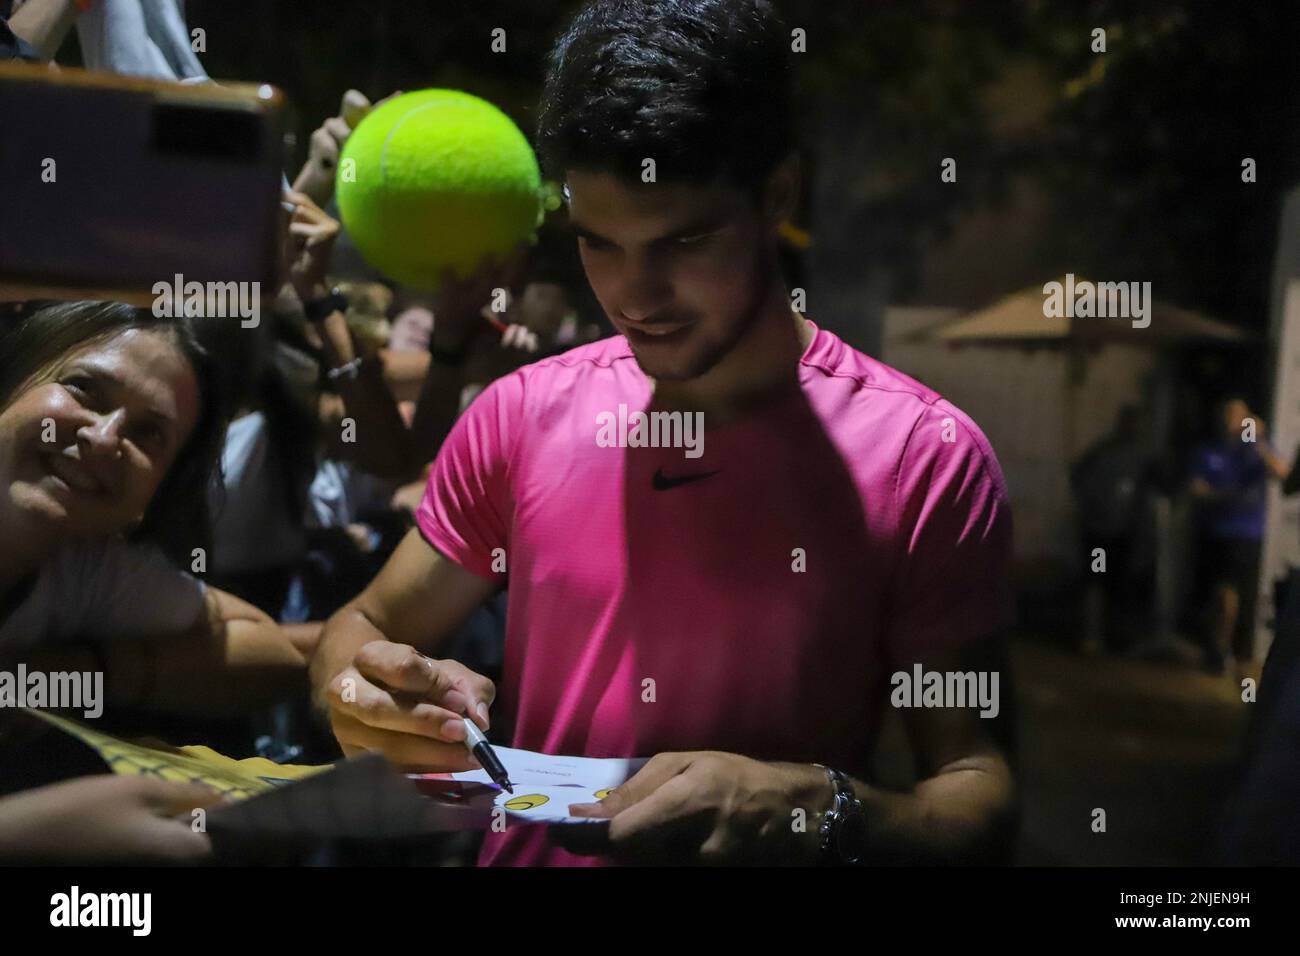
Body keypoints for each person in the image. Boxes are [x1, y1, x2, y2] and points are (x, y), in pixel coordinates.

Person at [311, 0, 1017, 866]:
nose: (634, 294)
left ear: (779, 197)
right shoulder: (523, 413)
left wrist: (821, 805)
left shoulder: (924, 458)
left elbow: (978, 789)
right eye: (597, 243)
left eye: (683, 240)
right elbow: (364, 621)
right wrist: (363, 691)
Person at [0, 299, 307, 862]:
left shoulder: (83, 564)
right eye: (85, 391)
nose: (103, 438)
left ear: (146, 504)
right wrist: (27, 833)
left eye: (148, 433)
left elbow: (272, 657)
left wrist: (71, 672)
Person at [1187, 396, 1288, 675]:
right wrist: (1220, 496)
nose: (1230, 422)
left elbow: (1282, 472)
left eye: (1237, 416)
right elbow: (1196, 488)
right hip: (1211, 530)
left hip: (1243, 533)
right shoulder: (1208, 451)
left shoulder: (1254, 450)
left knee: (1228, 592)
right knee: (1214, 593)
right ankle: (1215, 648)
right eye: (1226, 415)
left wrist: (1259, 441)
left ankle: (1223, 651)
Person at [1070, 404, 1154, 653]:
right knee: (1096, 583)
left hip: (1124, 534)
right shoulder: (1103, 451)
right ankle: (1092, 636)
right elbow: (1077, 476)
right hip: (1099, 532)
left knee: (1117, 586)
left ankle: (1111, 638)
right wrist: (1090, 507)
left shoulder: (1142, 456)